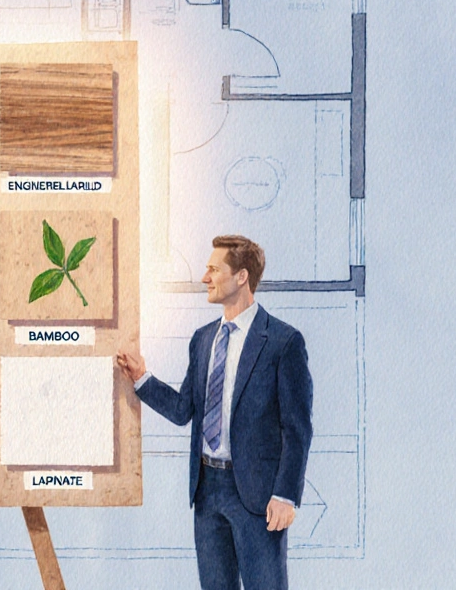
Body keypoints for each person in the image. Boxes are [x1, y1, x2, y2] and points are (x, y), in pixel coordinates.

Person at [116, 235, 312, 590]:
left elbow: (296, 429)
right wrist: (142, 379)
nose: (205, 278)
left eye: (212, 269)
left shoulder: (284, 342)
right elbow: (182, 410)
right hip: (207, 491)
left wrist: (285, 495)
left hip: (257, 495)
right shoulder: (203, 339)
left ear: (241, 277)